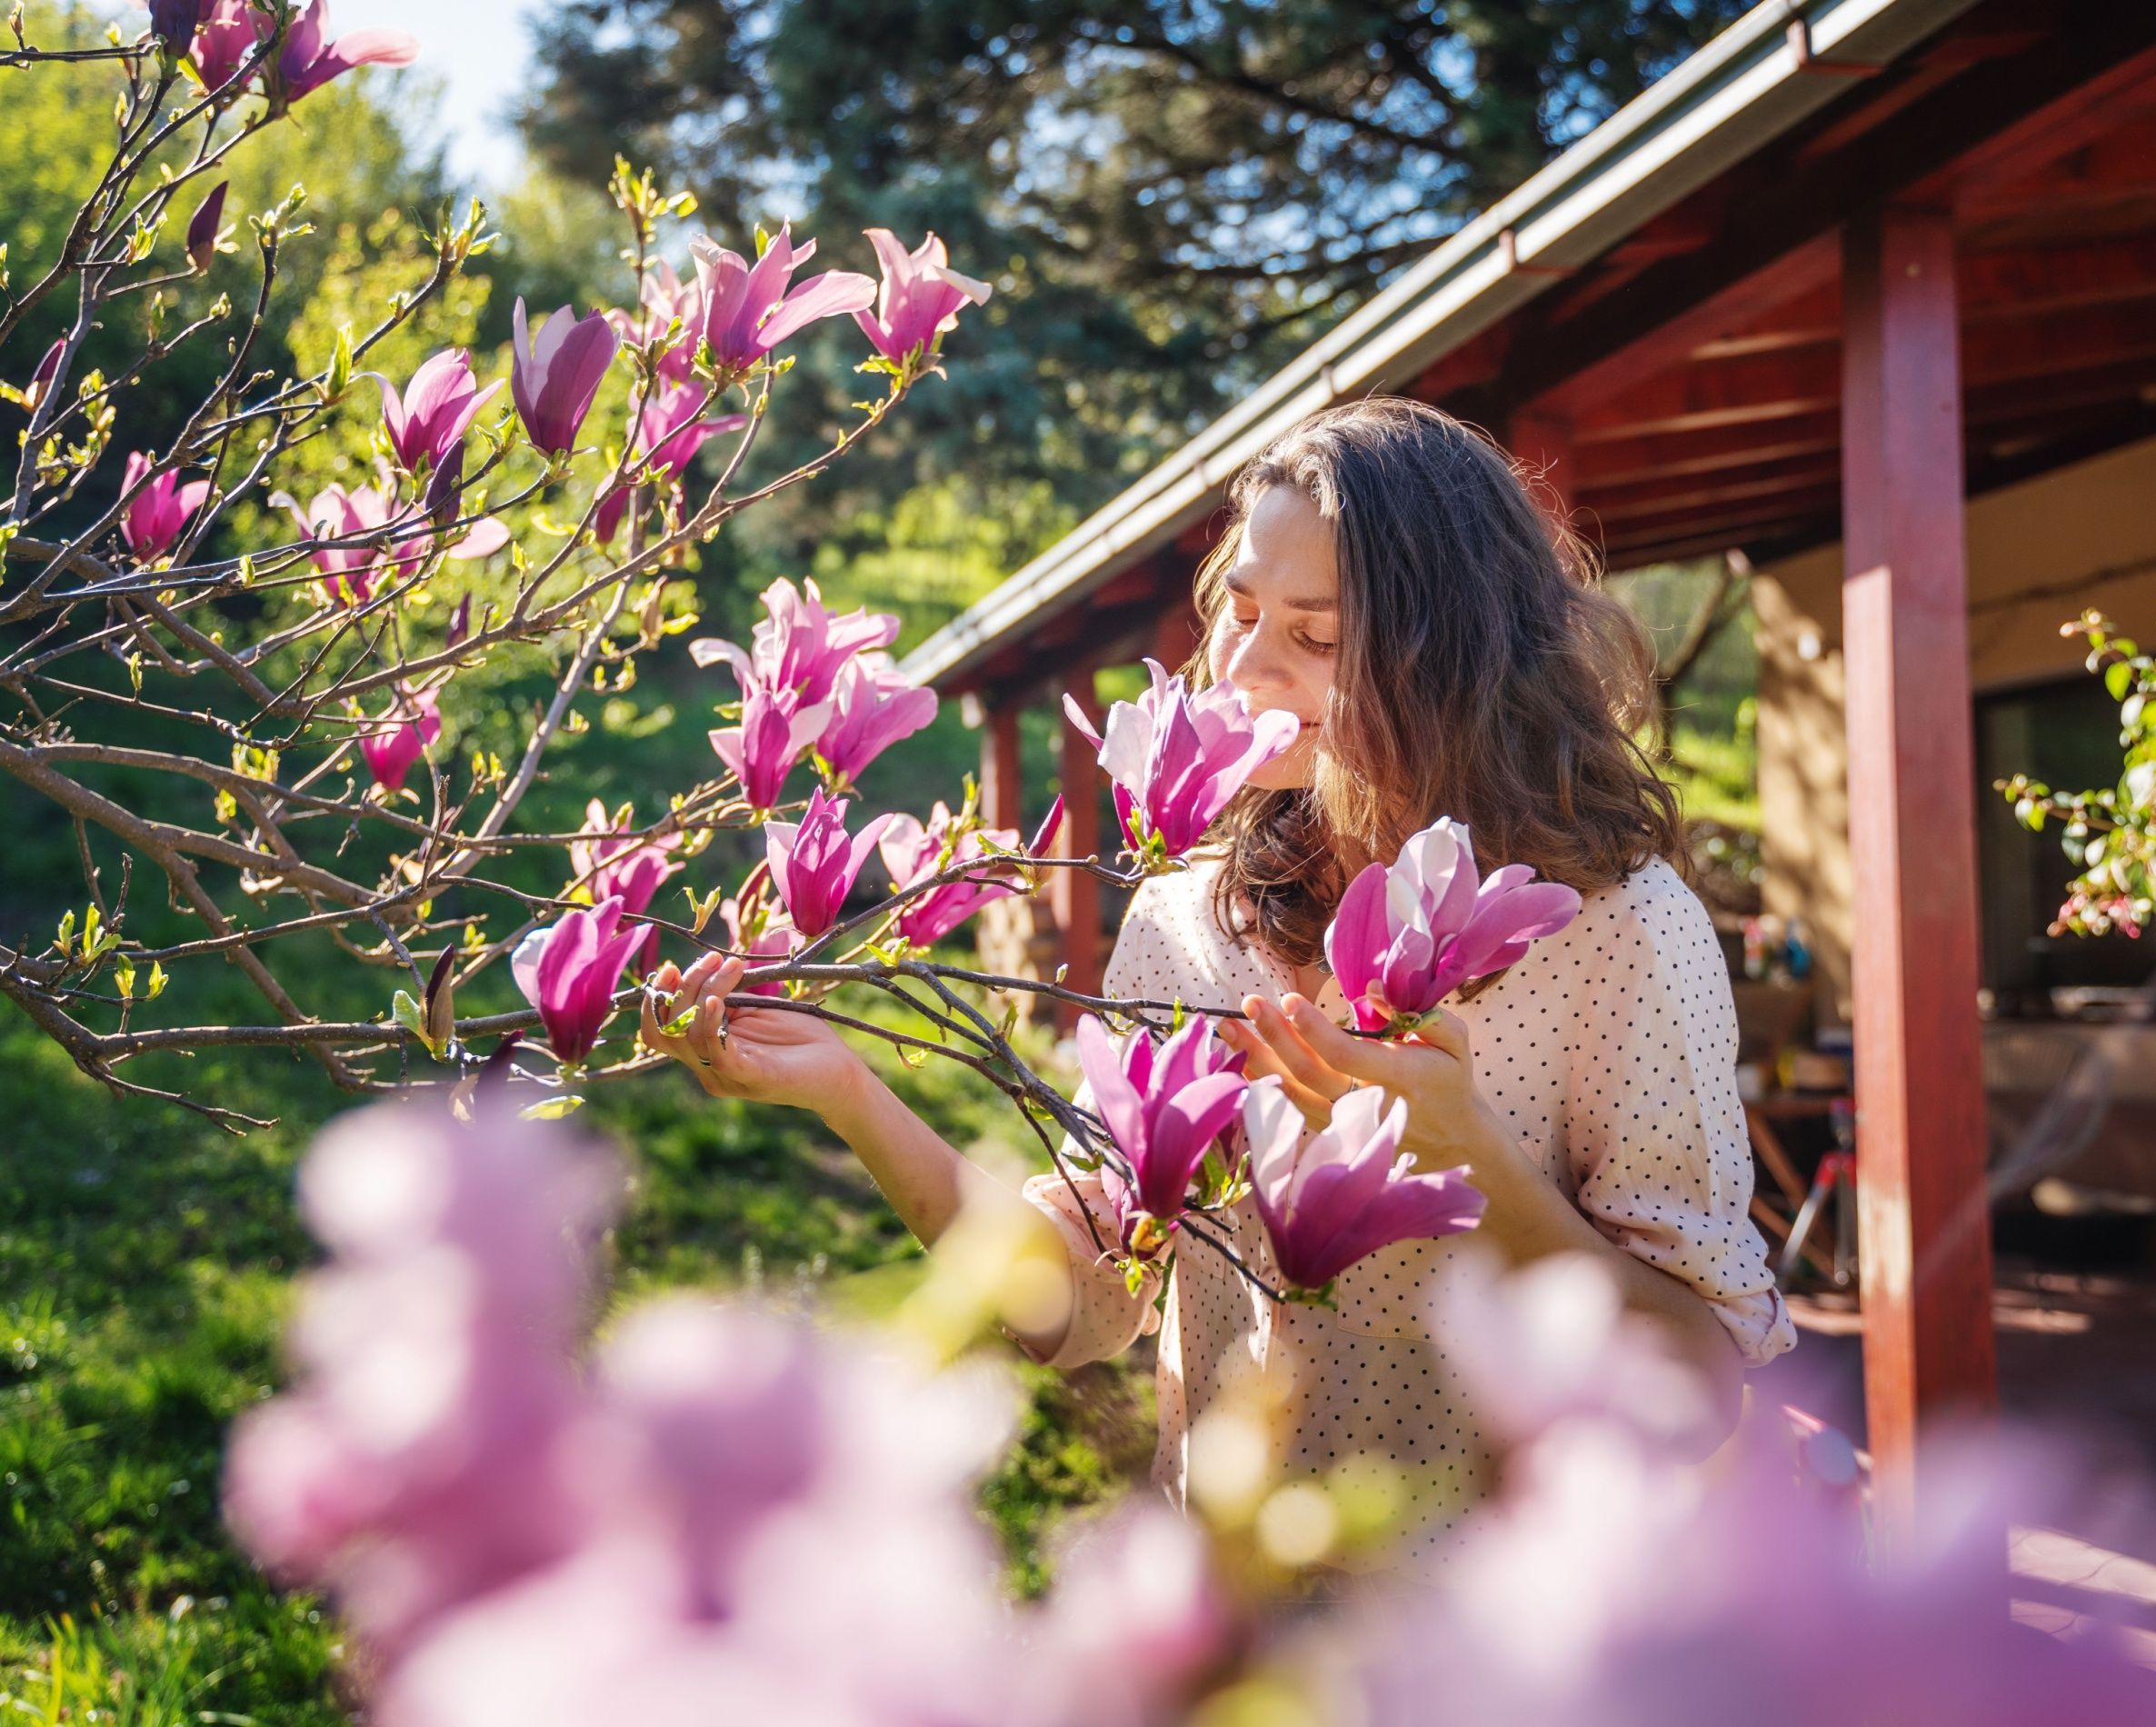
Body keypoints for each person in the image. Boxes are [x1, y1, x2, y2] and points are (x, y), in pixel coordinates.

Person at [643, 397, 1793, 1543]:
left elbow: (1698, 1384)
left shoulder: (1618, 930)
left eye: (1317, 635)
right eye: (1240, 611)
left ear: (1456, 658)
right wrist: (848, 1090)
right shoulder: (1191, 923)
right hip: (1233, 1635)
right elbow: (1081, 1296)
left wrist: (1470, 1159)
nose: (1241, 666)